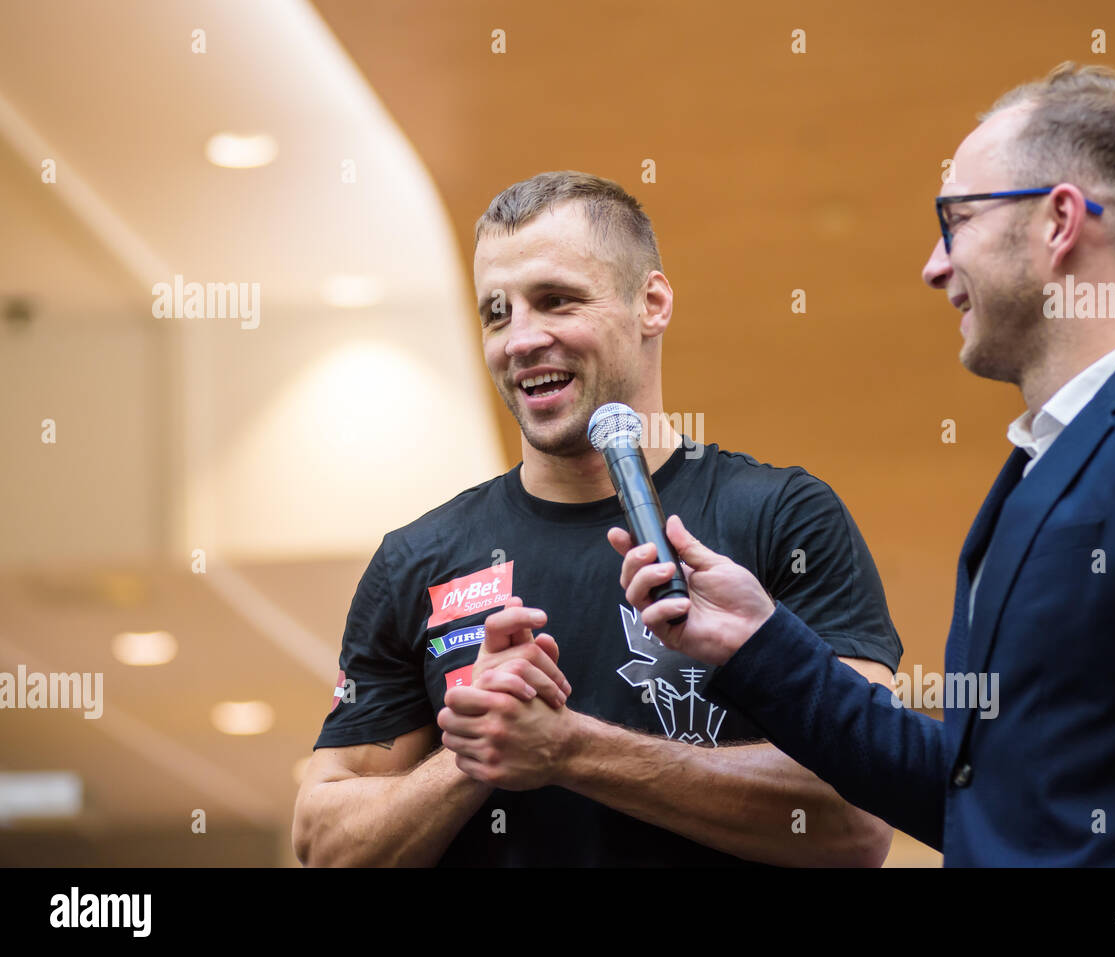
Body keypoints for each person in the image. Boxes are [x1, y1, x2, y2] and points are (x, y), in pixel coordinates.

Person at [611, 63, 1115, 865]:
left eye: (957, 220)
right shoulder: (1048, 465)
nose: (934, 266)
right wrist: (756, 643)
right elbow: (979, 791)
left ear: (1060, 221)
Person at [291, 171, 903, 866]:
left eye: (555, 301)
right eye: (497, 311)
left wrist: (571, 748)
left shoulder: (780, 517)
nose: (520, 339)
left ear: (652, 302)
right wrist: (476, 749)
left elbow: (857, 818)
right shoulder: (419, 558)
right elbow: (325, 846)